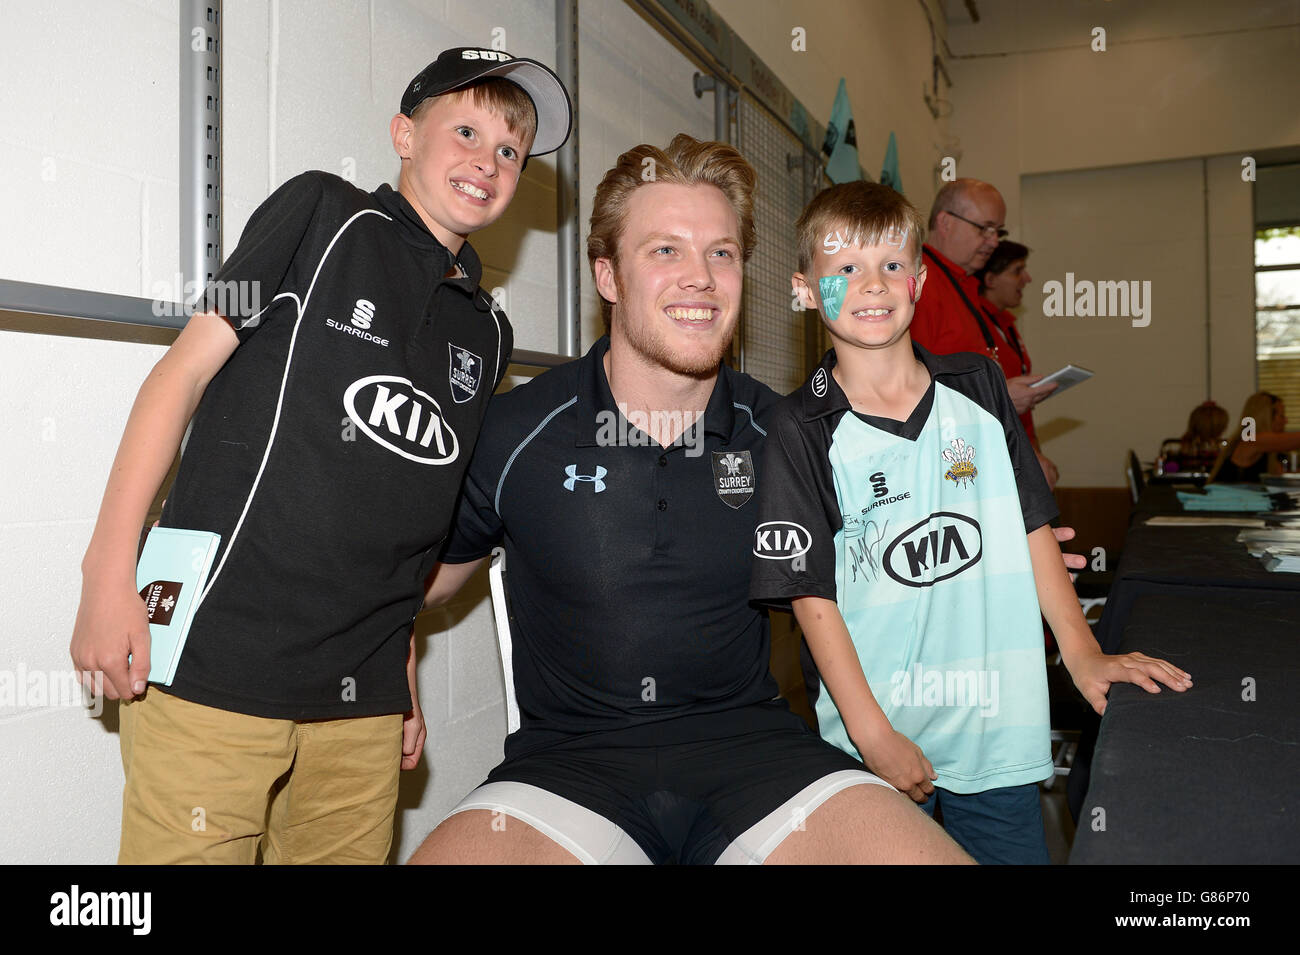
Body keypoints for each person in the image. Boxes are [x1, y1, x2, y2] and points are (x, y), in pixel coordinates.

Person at [408, 136, 1084, 865]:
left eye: (721, 253)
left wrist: (1008, 567)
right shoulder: (516, 429)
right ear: (607, 274)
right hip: (567, 771)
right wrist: (392, 645)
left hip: (762, 760)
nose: (699, 277)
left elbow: (907, 541)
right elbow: (424, 583)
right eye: (666, 251)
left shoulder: (794, 432)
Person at [69, 47, 572, 864]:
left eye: (510, 150)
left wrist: (401, 660)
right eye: (467, 129)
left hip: (362, 708)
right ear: (404, 133)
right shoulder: (318, 212)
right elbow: (182, 371)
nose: (487, 160)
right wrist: (105, 574)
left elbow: (420, 515)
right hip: (215, 673)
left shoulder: (489, 331)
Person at [748, 180, 1192, 864]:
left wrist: (1079, 648)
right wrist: (872, 734)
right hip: (880, 736)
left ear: (919, 281)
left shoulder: (979, 388)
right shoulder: (795, 426)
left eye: (891, 265)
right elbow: (812, 595)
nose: (872, 284)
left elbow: (1030, 526)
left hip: (996, 725)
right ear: (805, 288)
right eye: (845, 268)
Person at [909, 181, 1060, 483]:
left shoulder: (962, 283)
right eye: (984, 229)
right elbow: (907, 388)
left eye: (998, 232)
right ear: (945, 222)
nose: (993, 242)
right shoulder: (920, 283)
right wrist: (1000, 397)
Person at [974, 241, 1059, 488]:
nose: (1027, 279)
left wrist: (1034, 452)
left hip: (1021, 446)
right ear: (990, 279)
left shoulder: (1007, 325)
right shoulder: (976, 328)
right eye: (1017, 271)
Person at [1210, 392, 1300, 482]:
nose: (1286, 421)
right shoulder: (1252, 440)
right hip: (1224, 495)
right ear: (1266, 417)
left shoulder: (1268, 451)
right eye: (1282, 416)